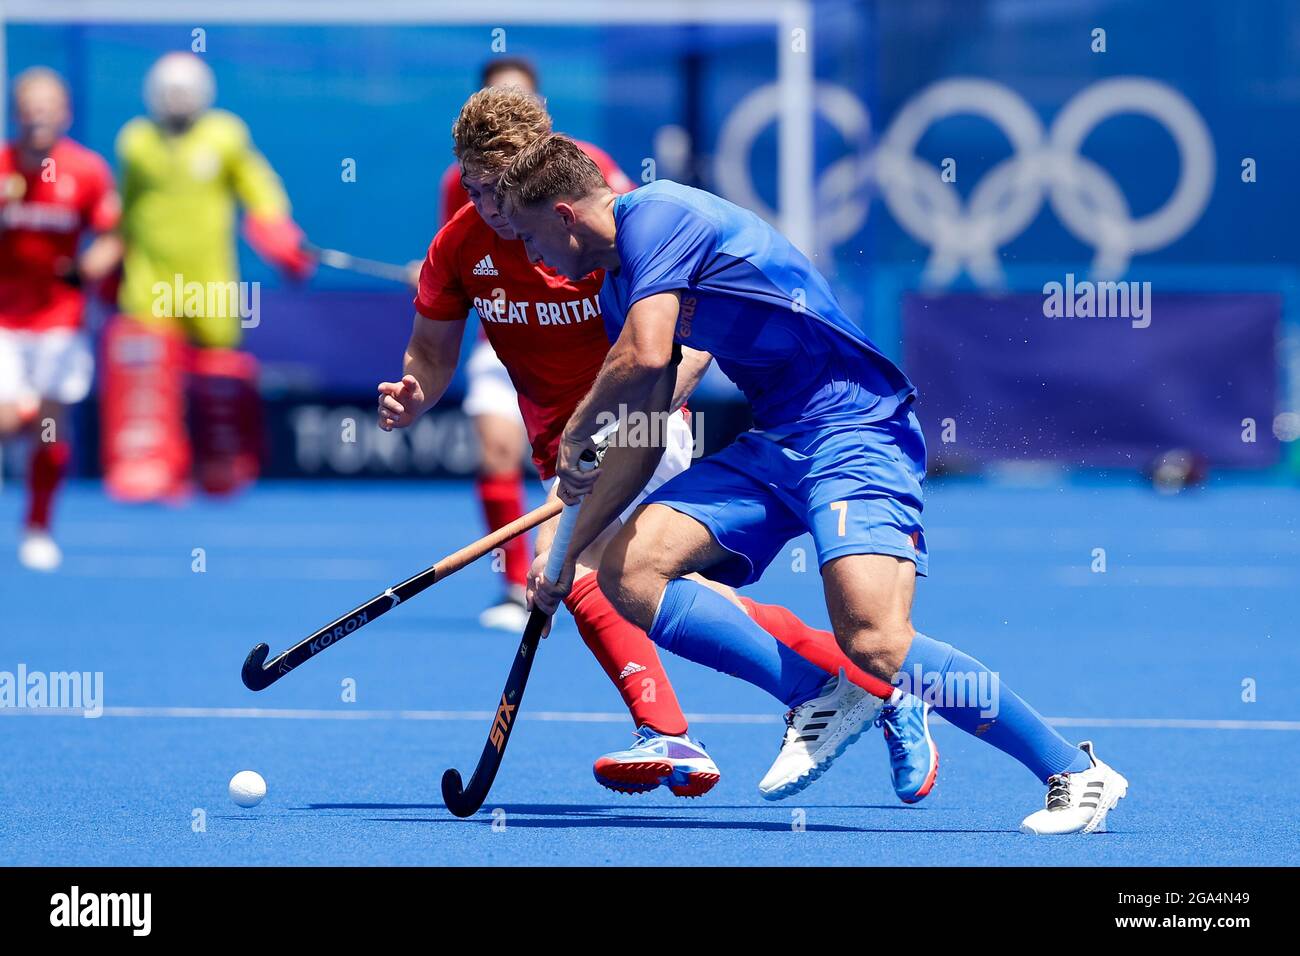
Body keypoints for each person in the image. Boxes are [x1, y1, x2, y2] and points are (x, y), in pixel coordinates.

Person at [501, 134, 1128, 834]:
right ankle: (817, 691)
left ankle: (1074, 770)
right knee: (627, 570)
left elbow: (644, 356)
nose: (531, 259)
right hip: (778, 439)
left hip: (855, 428)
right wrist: (569, 556)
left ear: (563, 214)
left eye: (528, 238)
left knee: (878, 641)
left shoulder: (658, 217)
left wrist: (584, 428)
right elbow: (645, 433)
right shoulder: (618, 286)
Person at [379, 86, 938, 804]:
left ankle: (673, 728)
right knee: (642, 584)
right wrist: (414, 390)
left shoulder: (594, 213)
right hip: (562, 439)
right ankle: (867, 685)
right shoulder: (461, 241)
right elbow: (429, 351)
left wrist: (633, 413)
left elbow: (689, 334)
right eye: (475, 188)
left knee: (576, 570)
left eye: (498, 187)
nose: (489, 206)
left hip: (642, 421)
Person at [437, 58, 635, 632]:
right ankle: (510, 580)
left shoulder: (586, 166)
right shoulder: (459, 185)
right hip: (507, 340)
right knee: (497, 456)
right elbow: (460, 251)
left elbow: (630, 238)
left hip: (605, 368)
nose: (488, 204)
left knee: (620, 571)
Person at [105, 52, 313, 502]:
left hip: (210, 283)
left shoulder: (226, 135)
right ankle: (152, 464)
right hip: (149, 280)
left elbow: (258, 186)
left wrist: (276, 228)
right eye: (169, 91)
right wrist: (109, 256)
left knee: (218, 376)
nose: (177, 99)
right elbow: (122, 207)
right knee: (150, 379)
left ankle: (222, 459)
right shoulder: (136, 142)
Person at [0, 68, 122, 571]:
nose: (39, 115)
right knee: (11, 421)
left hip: (59, 322)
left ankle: (38, 526)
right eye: (30, 106)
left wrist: (93, 264)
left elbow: (114, 233)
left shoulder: (87, 170)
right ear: (17, 113)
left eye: (49, 105)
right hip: (6, 322)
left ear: (65, 113)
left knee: (51, 428)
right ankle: (25, 411)